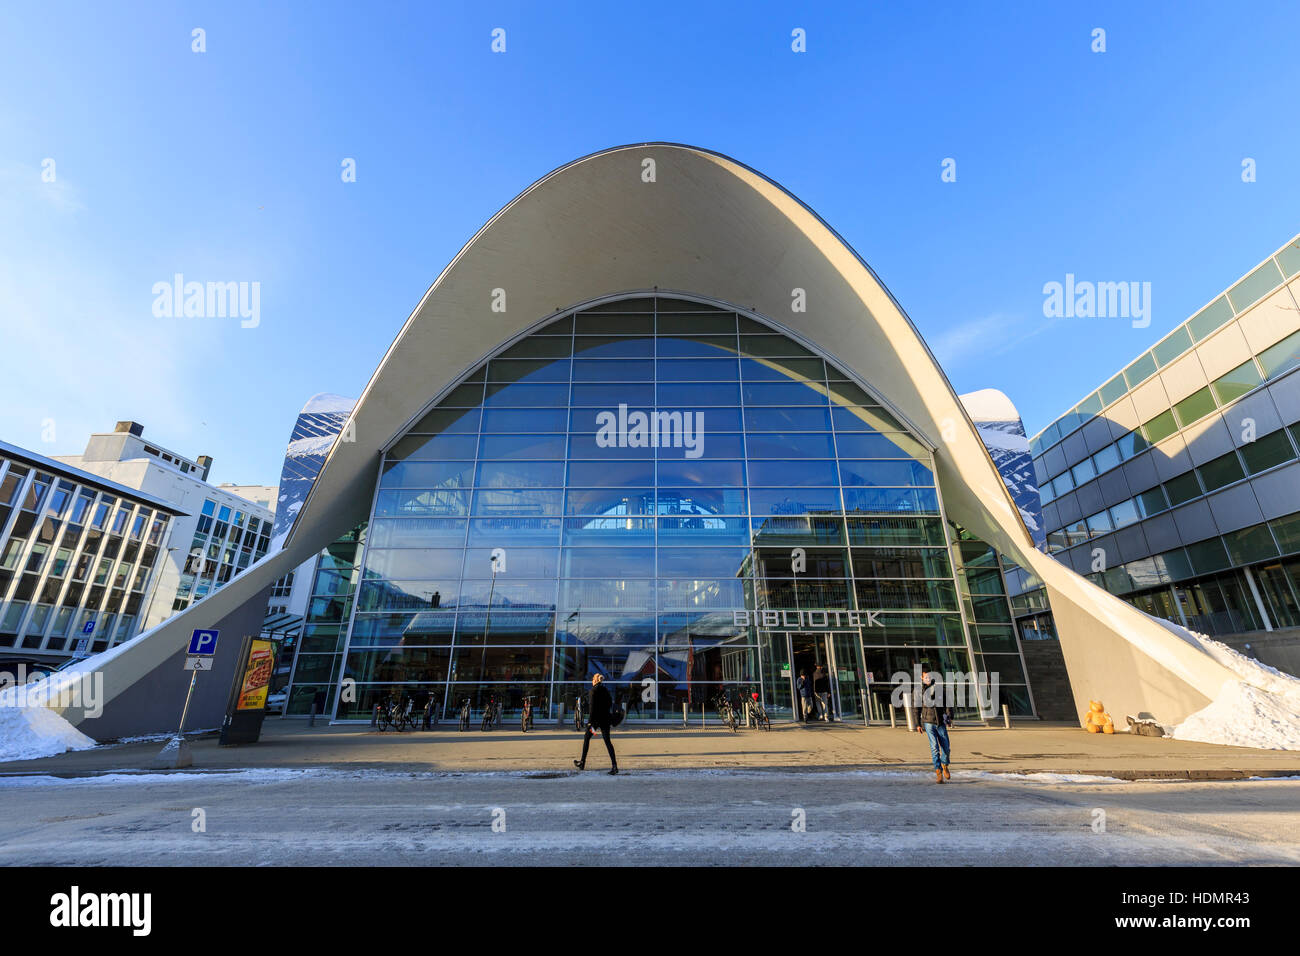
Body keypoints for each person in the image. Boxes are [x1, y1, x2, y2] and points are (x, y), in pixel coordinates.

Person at [913, 664, 952, 783]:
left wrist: (949, 717)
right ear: (921, 678)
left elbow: (947, 704)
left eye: (929, 677)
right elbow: (916, 709)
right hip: (928, 722)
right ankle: (938, 771)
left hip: (940, 722)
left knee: (946, 748)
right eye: (925, 677)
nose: (928, 679)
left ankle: (945, 764)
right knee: (934, 747)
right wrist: (918, 724)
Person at [574, 673, 618, 775]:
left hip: (595, 721)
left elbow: (592, 708)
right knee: (608, 742)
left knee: (587, 738)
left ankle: (582, 762)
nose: (591, 681)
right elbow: (610, 704)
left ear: (594, 680)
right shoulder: (605, 690)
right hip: (605, 720)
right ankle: (614, 766)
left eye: (592, 679)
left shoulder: (593, 691)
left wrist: (589, 722)